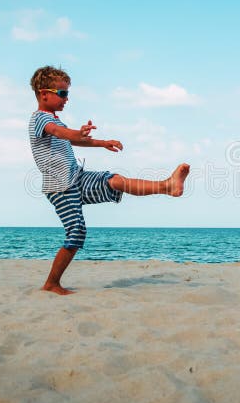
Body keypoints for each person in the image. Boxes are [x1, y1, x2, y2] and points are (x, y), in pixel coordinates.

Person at [29, 66, 190, 295]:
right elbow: (59, 132)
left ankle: (168, 185)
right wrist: (77, 133)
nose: (67, 99)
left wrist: (103, 142)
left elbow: (74, 140)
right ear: (44, 94)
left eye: (68, 94)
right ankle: (52, 283)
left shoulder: (56, 120)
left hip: (78, 178)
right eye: (62, 93)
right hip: (61, 188)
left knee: (115, 180)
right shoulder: (40, 119)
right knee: (76, 232)